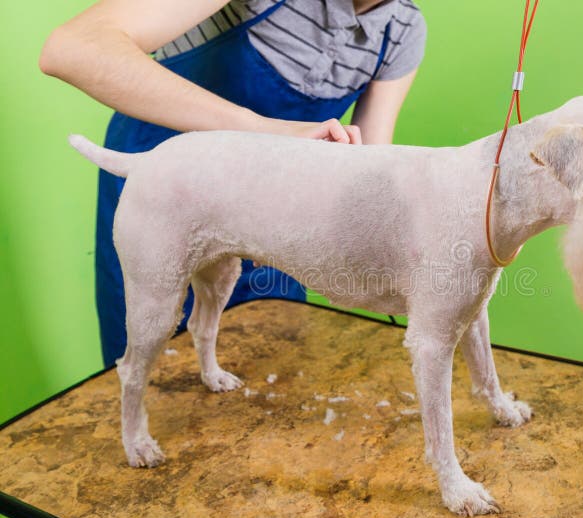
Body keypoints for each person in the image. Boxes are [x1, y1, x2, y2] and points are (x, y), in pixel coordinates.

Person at [40, 0, 426, 367]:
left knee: (268, 378)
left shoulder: (401, 30)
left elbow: (367, 178)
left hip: (270, 232)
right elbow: (73, 49)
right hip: (164, 207)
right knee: (153, 370)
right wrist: (264, 133)